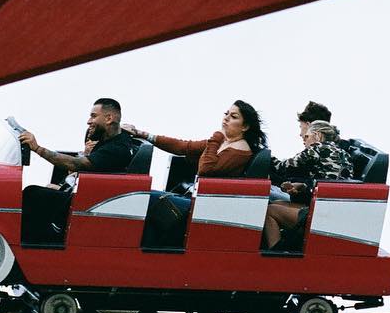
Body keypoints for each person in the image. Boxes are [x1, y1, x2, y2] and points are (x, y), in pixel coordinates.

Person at [125, 100, 267, 247]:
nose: (226, 118)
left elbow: (205, 170)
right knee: (146, 196)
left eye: (234, 116)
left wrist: (216, 138)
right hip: (198, 200)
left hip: (208, 208)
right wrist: (144, 134)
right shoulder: (224, 143)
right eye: (226, 114)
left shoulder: (240, 150)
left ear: (245, 126)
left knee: (149, 199)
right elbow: (183, 147)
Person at [18, 97, 136, 245]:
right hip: (83, 194)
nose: (89, 121)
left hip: (89, 204)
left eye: (93, 116)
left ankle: (28, 246)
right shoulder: (114, 136)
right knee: (41, 190)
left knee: (32, 194)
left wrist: (37, 148)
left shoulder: (117, 149)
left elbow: (76, 164)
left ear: (109, 118)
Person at [264, 118, 353, 250]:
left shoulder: (316, 148)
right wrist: (303, 186)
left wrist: (263, 153)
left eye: (307, 136)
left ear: (317, 135)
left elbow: (282, 167)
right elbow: (328, 181)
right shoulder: (344, 154)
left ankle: (275, 257)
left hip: (321, 215)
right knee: (276, 203)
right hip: (334, 212)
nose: (304, 140)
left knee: (270, 210)